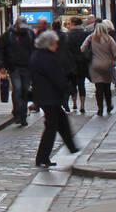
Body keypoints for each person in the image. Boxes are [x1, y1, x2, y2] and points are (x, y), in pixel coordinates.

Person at [29, 29, 79, 168]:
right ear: (49, 44)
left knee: (60, 121)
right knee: (52, 126)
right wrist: (68, 89)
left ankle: (71, 147)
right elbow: (57, 77)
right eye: (55, 43)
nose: (56, 46)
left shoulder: (36, 55)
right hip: (49, 96)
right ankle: (43, 157)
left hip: (44, 96)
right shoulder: (48, 58)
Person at [0, 17, 35, 126]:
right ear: (16, 25)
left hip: (27, 67)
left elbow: (35, 49)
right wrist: (1, 65)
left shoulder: (30, 34)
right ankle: (18, 113)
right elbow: (0, 50)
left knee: (25, 90)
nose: (22, 30)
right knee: (17, 89)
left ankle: (23, 115)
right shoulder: (8, 35)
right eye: (20, 27)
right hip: (14, 67)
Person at [81, 21, 116, 116]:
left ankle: (100, 108)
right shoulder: (109, 39)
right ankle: (109, 105)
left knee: (98, 88)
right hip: (107, 65)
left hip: (95, 65)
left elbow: (82, 48)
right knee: (107, 87)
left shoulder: (91, 37)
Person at [64, 16, 88, 112]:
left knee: (73, 84)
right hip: (82, 62)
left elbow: (66, 50)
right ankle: (82, 105)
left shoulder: (68, 35)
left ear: (73, 23)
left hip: (71, 63)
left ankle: (74, 104)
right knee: (81, 84)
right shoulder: (85, 34)